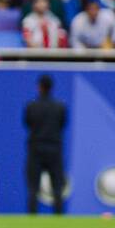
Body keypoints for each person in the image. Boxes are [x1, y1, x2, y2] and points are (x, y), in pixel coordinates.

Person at [24, 74, 68, 215]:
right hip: (54, 148)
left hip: (36, 148)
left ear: (39, 87)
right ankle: (59, 218)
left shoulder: (31, 106)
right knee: (57, 187)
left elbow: (28, 123)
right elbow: (62, 124)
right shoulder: (60, 107)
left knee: (33, 188)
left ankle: (32, 218)